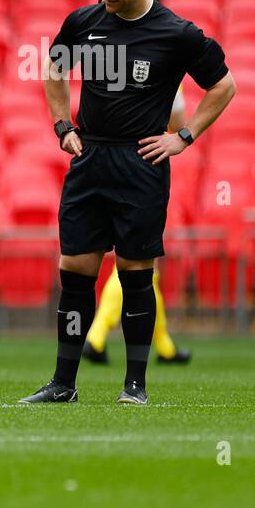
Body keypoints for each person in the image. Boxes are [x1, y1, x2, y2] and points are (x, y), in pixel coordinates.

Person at [19, 0, 236, 406]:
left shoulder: (177, 33)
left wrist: (184, 136)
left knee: (135, 273)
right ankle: (62, 383)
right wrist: (62, 126)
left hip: (141, 164)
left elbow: (224, 85)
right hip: (89, 159)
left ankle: (134, 386)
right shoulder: (84, 22)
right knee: (75, 271)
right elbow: (53, 70)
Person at [83, 87, 191, 365]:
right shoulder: (166, 71)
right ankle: (96, 336)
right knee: (136, 266)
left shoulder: (113, 67)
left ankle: (164, 346)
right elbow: (178, 123)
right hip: (144, 173)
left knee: (142, 270)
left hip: (108, 166)